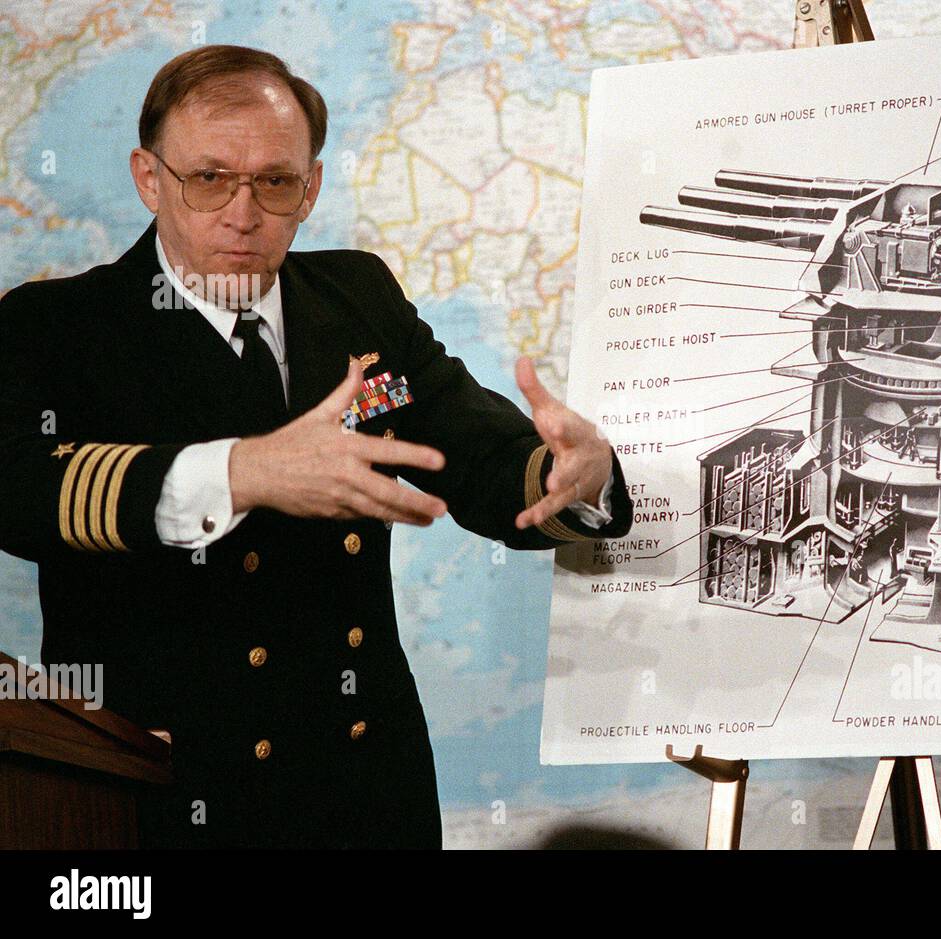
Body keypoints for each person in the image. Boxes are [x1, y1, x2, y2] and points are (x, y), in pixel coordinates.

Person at [0, 45, 633, 848]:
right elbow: (17, 486)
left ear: (312, 188)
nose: (242, 210)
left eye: (274, 180)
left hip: (364, 788)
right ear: (148, 178)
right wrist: (238, 473)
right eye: (209, 178)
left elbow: (468, 450)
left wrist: (570, 475)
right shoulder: (58, 327)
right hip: (165, 796)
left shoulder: (358, 299)